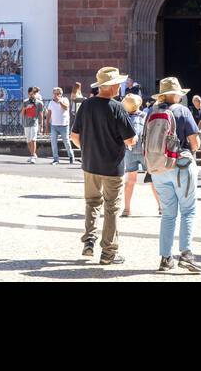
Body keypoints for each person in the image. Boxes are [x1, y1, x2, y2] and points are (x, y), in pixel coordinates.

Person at [70, 67, 137, 265]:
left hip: (90, 163)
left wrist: (88, 147)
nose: (119, 86)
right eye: (117, 83)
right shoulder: (117, 108)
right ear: (111, 86)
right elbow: (131, 139)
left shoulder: (86, 105)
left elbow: (74, 136)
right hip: (112, 166)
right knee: (112, 207)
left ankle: (89, 240)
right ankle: (108, 252)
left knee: (92, 202)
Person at [143, 76, 201, 273]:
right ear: (177, 94)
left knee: (168, 214)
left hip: (159, 168)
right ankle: (186, 254)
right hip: (181, 166)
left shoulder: (152, 112)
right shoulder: (183, 111)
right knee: (188, 211)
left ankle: (165, 258)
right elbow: (194, 143)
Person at [122, 94, 159, 216]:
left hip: (129, 150)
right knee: (153, 180)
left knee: (130, 180)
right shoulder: (145, 116)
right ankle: (161, 207)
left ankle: (127, 209)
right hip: (145, 151)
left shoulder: (124, 117)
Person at [48, 86, 74, 165]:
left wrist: (60, 102)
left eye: (57, 93)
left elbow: (66, 107)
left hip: (64, 125)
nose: (55, 95)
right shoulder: (51, 102)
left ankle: (71, 157)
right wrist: (46, 125)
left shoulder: (65, 99)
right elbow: (49, 113)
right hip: (54, 125)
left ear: (60, 94)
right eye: (54, 93)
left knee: (66, 141)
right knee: (53, 142)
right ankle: (55, 159)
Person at [20, 86, 44, 164]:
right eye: (30, 94)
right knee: (28, 141)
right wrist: (25, 108)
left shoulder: (39, 103)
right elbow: (23, 114)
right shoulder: (25, 102)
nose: (31, 96)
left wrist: (41, 125)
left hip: (34, 123)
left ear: (35, 94)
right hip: (26, 123)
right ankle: (33, 154)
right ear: (28, 94)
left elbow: (41, 114)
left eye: (33, 94)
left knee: (33, 139)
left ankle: (32, 156)